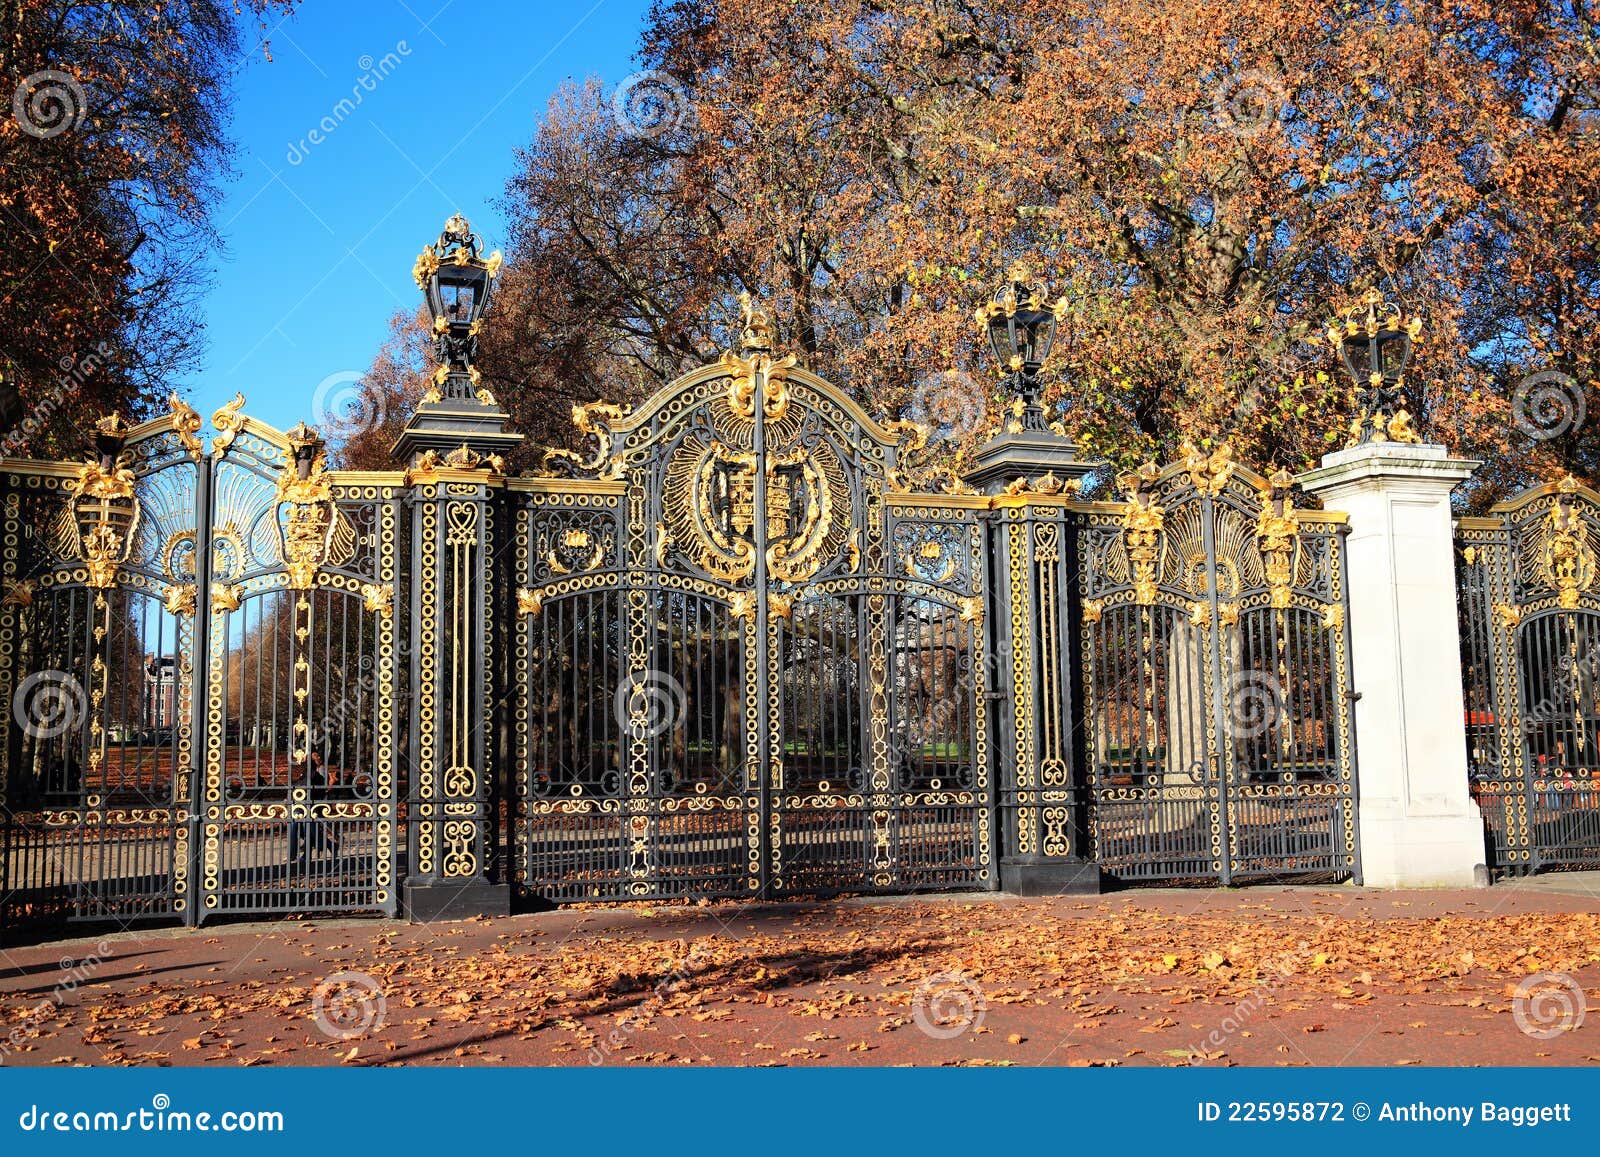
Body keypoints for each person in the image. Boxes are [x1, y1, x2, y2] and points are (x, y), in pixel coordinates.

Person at [287, 748, 340, 868]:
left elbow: (321, 790)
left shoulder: (318, 773)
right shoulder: (303, 774)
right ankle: (328, 846)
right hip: (301, 806)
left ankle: (303, 854)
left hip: (313, 807)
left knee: (308, 828)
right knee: (297, 826)